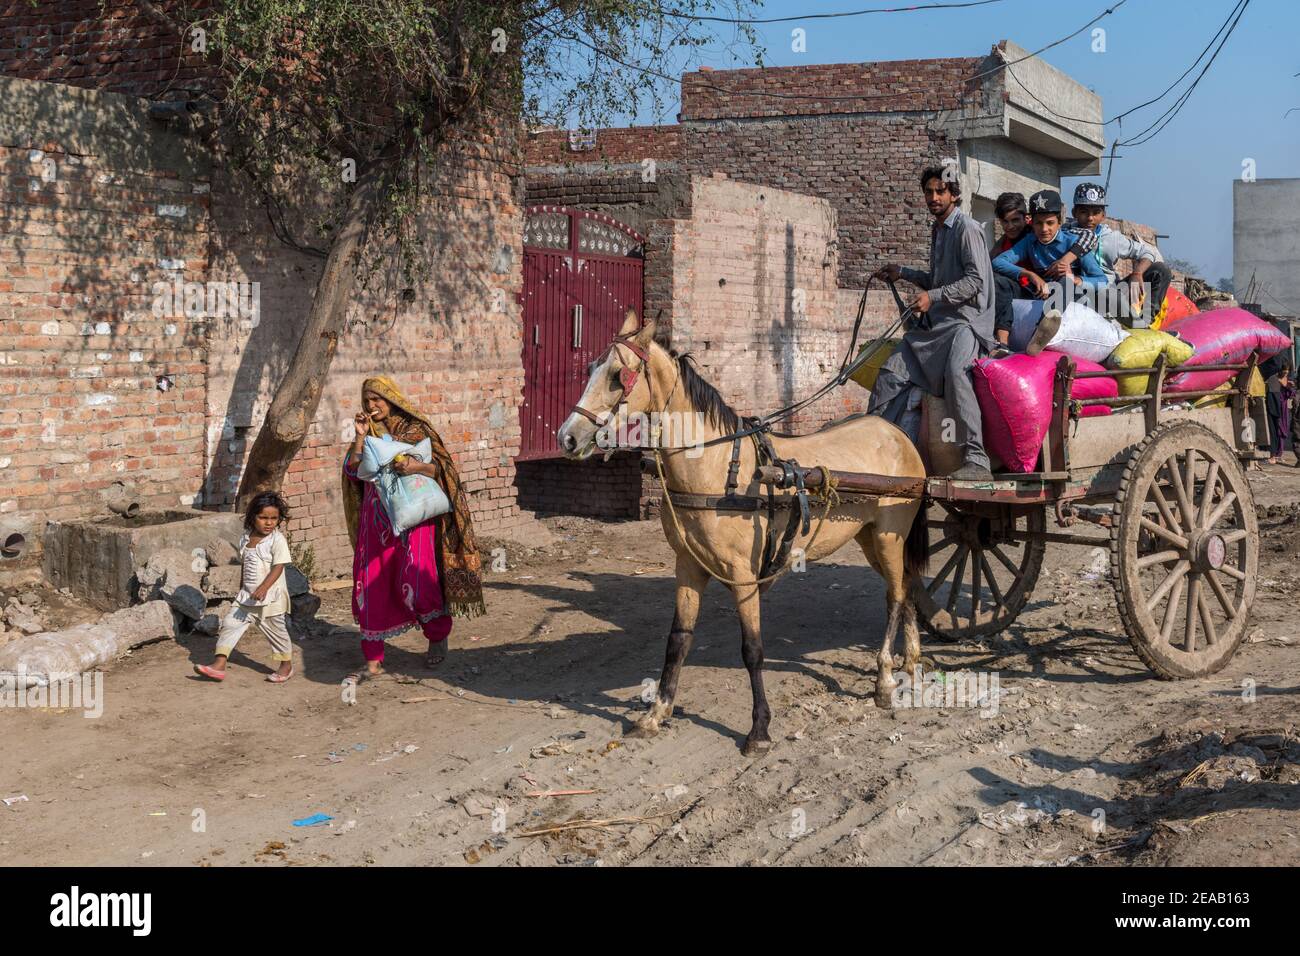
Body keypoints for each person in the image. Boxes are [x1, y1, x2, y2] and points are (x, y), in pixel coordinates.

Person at [342, 376, 485, 681]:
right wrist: (359, 437)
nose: (371, 405)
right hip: (376, 526)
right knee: (371, 586)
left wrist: (415, 466)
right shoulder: (368, 433)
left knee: (420, 581)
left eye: (377, 399)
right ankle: (373, 659)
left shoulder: (418, 430)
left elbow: (444, 470)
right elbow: (353, 472)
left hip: (416, 522)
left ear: (392, 399)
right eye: (367, 400)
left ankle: (437, 636)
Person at [870, 166, 996, 481]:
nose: (934, 197)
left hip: (967, 324)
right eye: (929, 192)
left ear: (954, 194)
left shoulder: (967, 228)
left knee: (957, 374)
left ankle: (977, 459)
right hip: (937, 326)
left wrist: (933, 296)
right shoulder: (938, 230)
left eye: (941, 191)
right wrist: (904, 273)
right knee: (891, 372)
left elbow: (975, 282)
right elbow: (939, 281)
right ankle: (872, 447)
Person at [194, 491, 295, 683]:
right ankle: (219, 665)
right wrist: (241, 589)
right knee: (230, 624)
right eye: (263, 517)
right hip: (246, 597)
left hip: (270, 599)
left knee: (276, 632)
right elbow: (246, 565)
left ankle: (286, 666)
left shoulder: (277, 540)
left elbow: (278, 567)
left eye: (274, 518)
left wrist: (264, 587)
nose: (269, 523)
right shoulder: (246, 538)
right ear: (252, 517)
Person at [1047, 182, 1171, 327]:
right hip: (1080, 291)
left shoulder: (1113, 238)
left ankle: (1145, 324)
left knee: (1161, 271)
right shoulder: (1065, 234)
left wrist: (1137, 273)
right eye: (1084, 212)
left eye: (1096, 213)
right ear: (1074, 213)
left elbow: (1147, 252)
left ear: (1103, 215)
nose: (1090, 218)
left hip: (1114, 293)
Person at [991, 191, 1096, 348]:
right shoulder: (1028, 241)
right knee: (998, 281)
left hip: (1066, 291)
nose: (1044, 229)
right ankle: (1002, 343)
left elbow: (1089, 239)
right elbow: (998, 262)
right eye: (1039, 223)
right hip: (1035, 290)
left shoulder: (1071, 241)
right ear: (1033, 223)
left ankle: (1042, 330)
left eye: (1049, 223)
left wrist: (1073, 272)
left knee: (1065, 281)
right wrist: (1030, 275)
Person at [1265, 364, 1295, 465]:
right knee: (1275, 430)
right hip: (1275, 408)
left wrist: (1287, 386)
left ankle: (1278, 454)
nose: (1285, 373)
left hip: (1283, 409)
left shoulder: (1287, 379)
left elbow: (1291, 394)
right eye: (1284, 371)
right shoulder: (1273, 379)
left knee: (1282, 431)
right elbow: (1273, 396)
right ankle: (1273, 455)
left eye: (1287, 371)